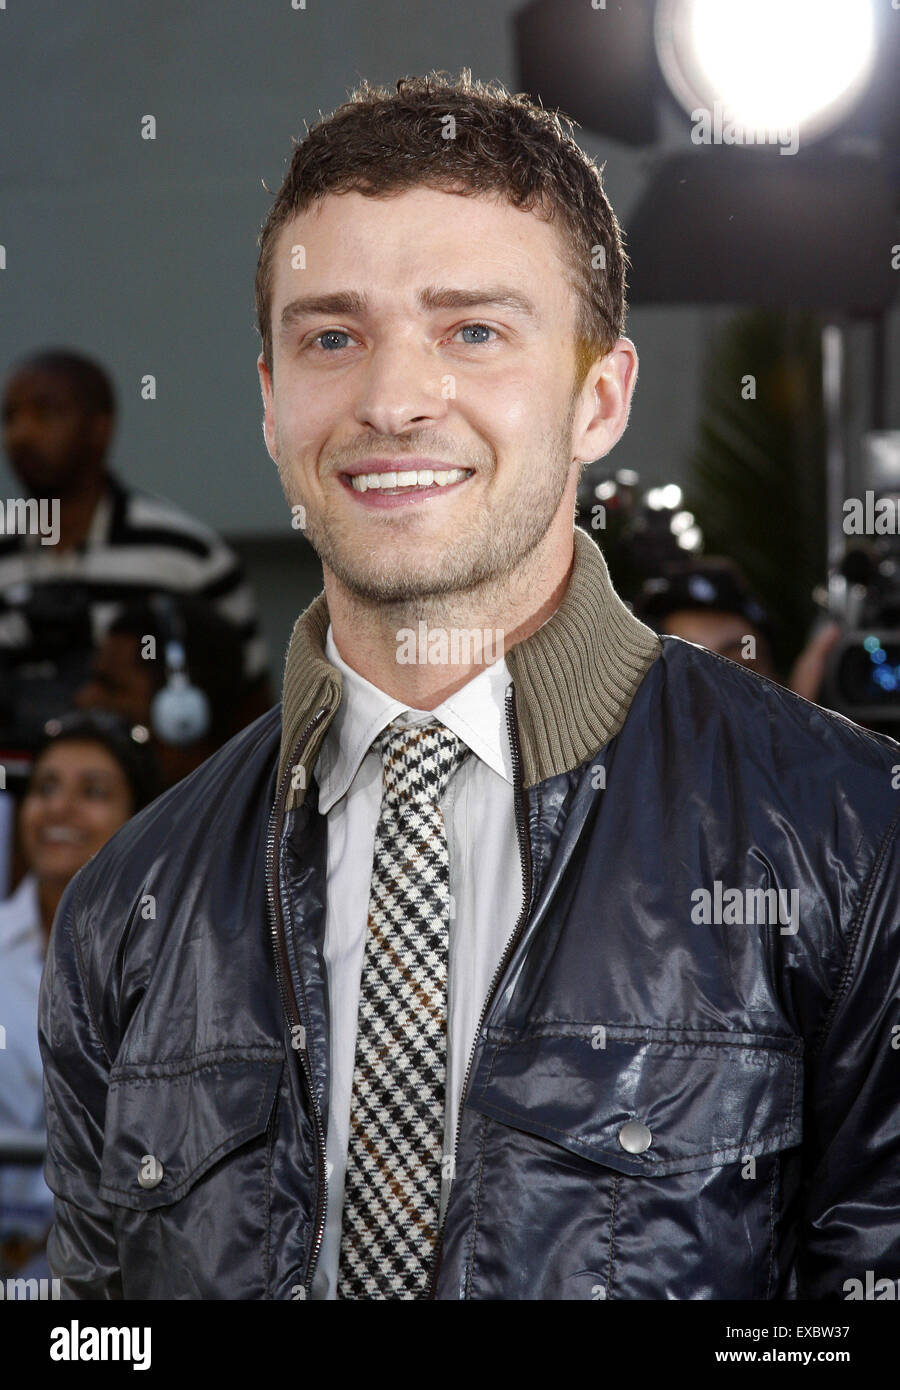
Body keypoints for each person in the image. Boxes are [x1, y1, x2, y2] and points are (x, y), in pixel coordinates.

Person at [39, 69, 900, 1301]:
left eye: (474, 330)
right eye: (332, 336)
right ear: (273, 401)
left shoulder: (850, 837)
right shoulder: (132, 900)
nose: (393, 400)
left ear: (598, 395)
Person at [0, 349, 273, 739]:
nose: (22, 434)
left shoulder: (187, 555)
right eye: (10, 417)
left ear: (100, 428)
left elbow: (249, 714)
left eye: (46, 413)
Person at [0, 712, 159, 1279]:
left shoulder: (179, 964)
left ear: (140, 820)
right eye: (45, 788)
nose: (59, 809)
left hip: (114, 1286)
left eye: (92, 792)